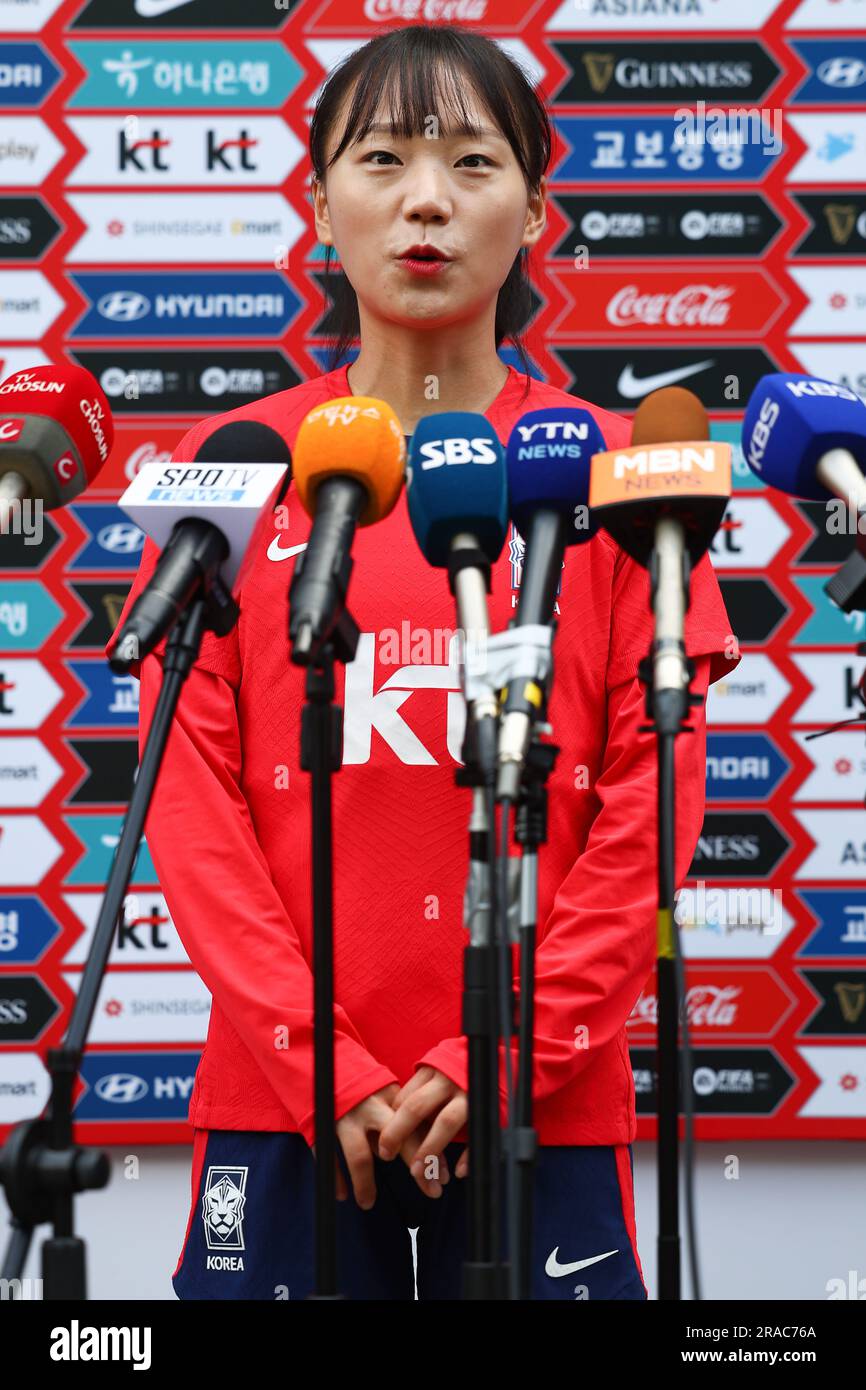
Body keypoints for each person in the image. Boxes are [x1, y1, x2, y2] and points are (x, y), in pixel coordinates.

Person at [106, 24, 735, 1301]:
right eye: (382, 157)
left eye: (472, 160)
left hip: (538, 1099)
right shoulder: (232, 470)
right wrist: (316, 1055)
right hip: (281, 1098)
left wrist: (511, 1046)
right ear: (319, 202)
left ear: (537, 207)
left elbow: (645, 809)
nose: (426, 200)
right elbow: (191, 808)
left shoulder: (616, 482)